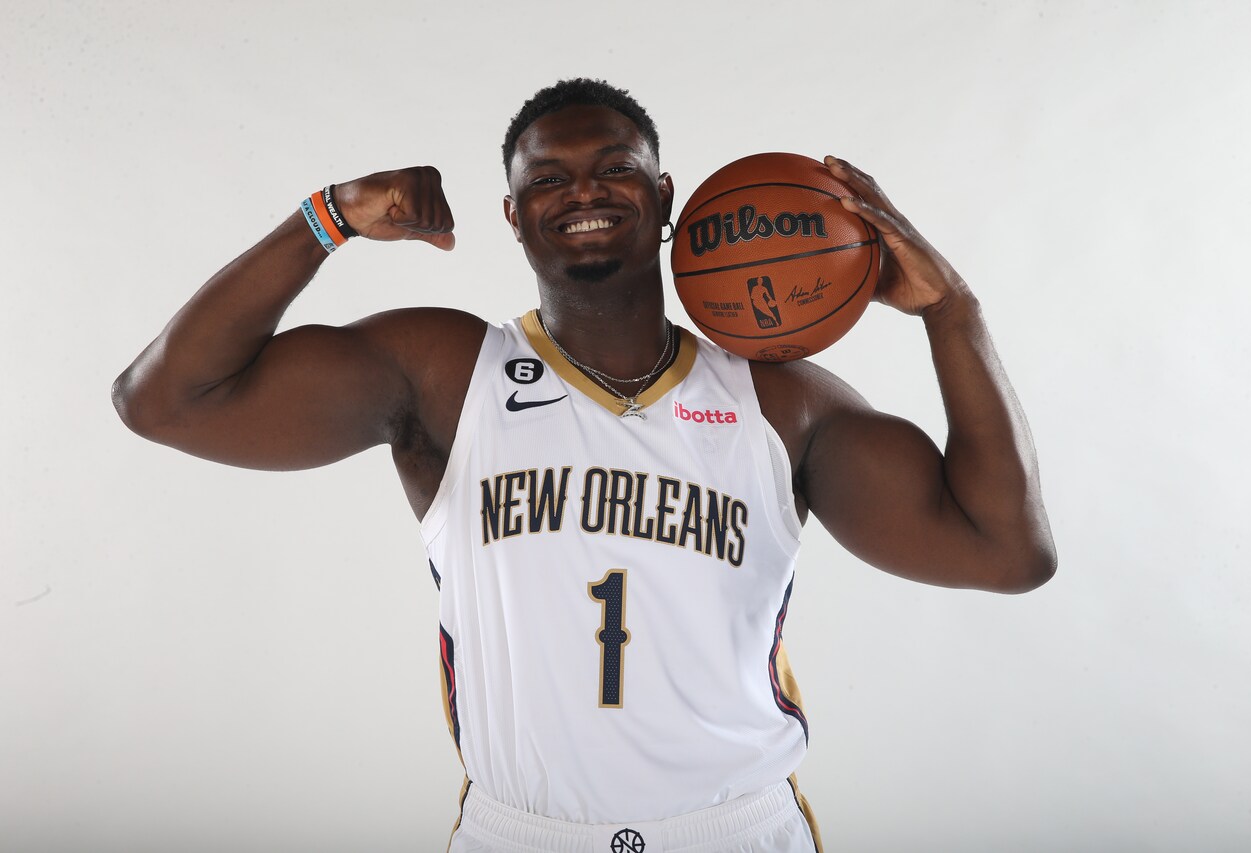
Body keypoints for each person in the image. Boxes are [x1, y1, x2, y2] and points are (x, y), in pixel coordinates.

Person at [113, 78, 1056, 853]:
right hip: (522, 833)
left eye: (616, 169)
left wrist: (953, 314)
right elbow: (165, 401)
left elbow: (1006, 552)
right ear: (514, 215)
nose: (586, 192)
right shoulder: (445, 373)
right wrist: (329, 217)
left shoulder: (779, 399)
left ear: (666, 200)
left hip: (731, 828)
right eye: (549, 179)